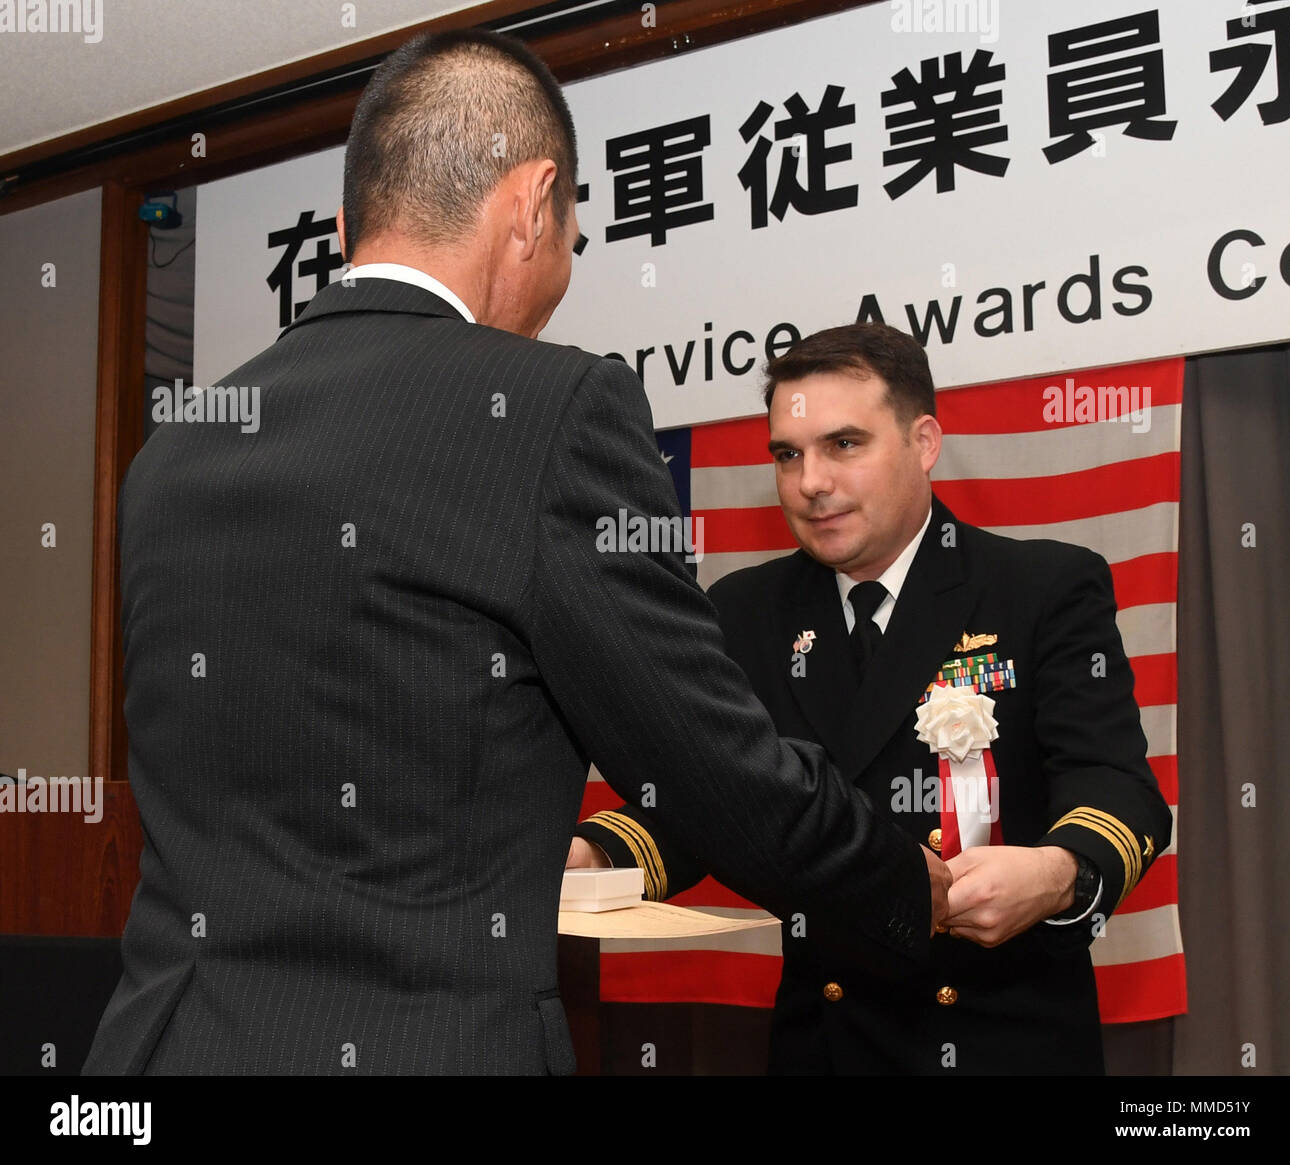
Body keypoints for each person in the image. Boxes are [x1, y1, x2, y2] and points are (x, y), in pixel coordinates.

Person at [82, 32, 948, 1077]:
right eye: (576, 236)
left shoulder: (172, 450)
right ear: (533, 206)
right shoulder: (549, 410)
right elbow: (702, 765)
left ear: (354, 221)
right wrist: (905, 883)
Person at [572, 322, 1172, 1074]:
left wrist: (1060, 872)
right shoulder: (746, 609)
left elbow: (1120, 788)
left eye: (844, 445)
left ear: (924, 442)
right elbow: (712, 801)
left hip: (1000, 1036)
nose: (810, 481)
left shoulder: (1041, 588)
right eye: (788, 455)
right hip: (826, 1041)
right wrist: (597, 852)